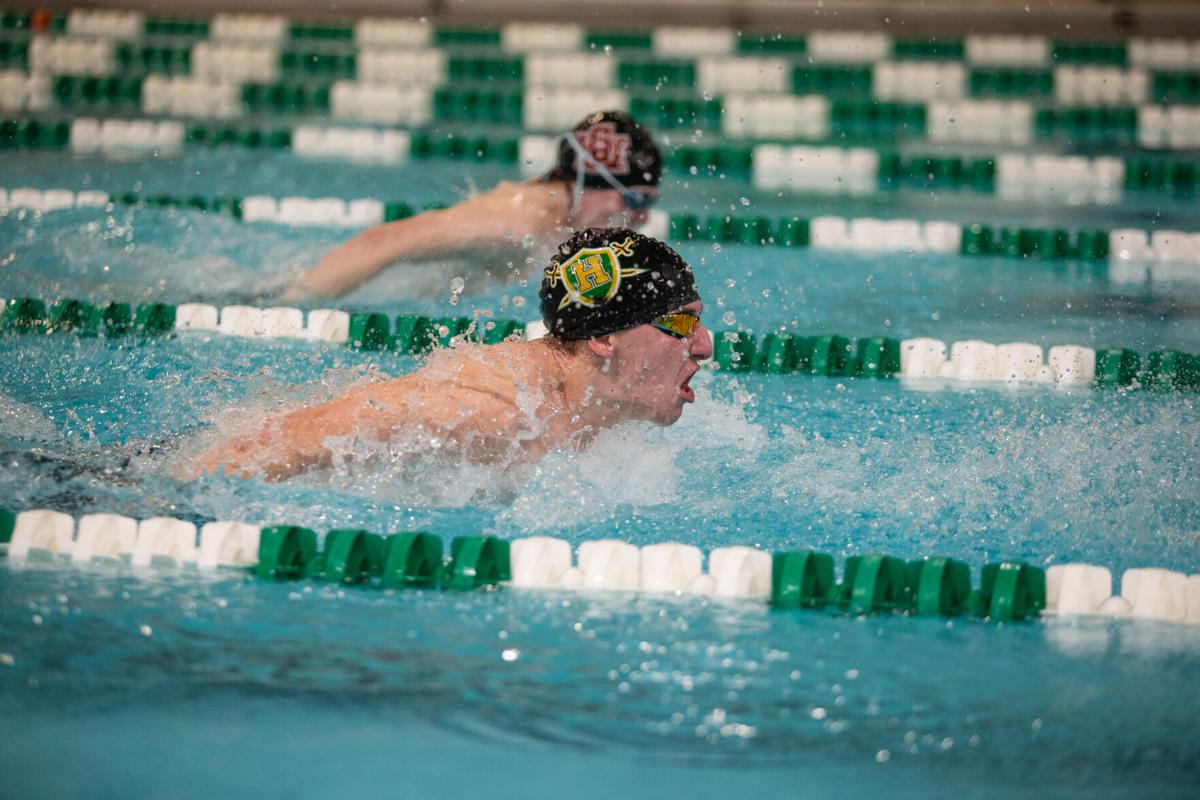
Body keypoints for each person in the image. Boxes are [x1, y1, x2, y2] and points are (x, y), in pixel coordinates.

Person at [196, 228, 713, 481]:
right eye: (681, 323)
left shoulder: (591, 406)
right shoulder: (492, 413)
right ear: (603, 337)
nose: (705, 346)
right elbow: (262, 449)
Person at [279, 111, 663, 302]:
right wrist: (294, 304)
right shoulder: (519, 224)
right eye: (635, 200)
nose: (641, 218)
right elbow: (384, 242)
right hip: (299, 294)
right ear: (590, 184)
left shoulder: (561, 219)